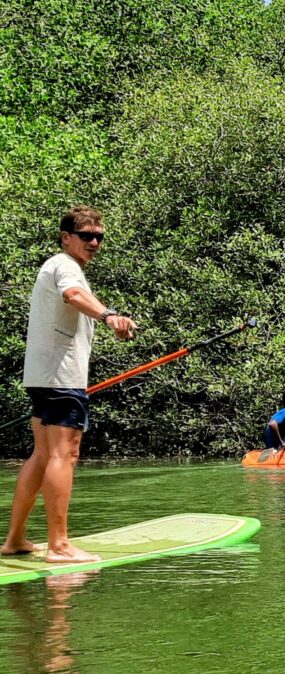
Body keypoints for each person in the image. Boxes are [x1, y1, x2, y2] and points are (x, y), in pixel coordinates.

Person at [2, 206, 138, 563]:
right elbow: (74, 296)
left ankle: (15, 540)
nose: (94, 242)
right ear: (66, 237)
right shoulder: (64, 266)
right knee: (66, 454)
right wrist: (109, 316)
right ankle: (59, 546)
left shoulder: (59, 265)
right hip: (61, 379)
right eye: (86, 236)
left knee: (44, 455)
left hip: (42, 376)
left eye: (99, 237)